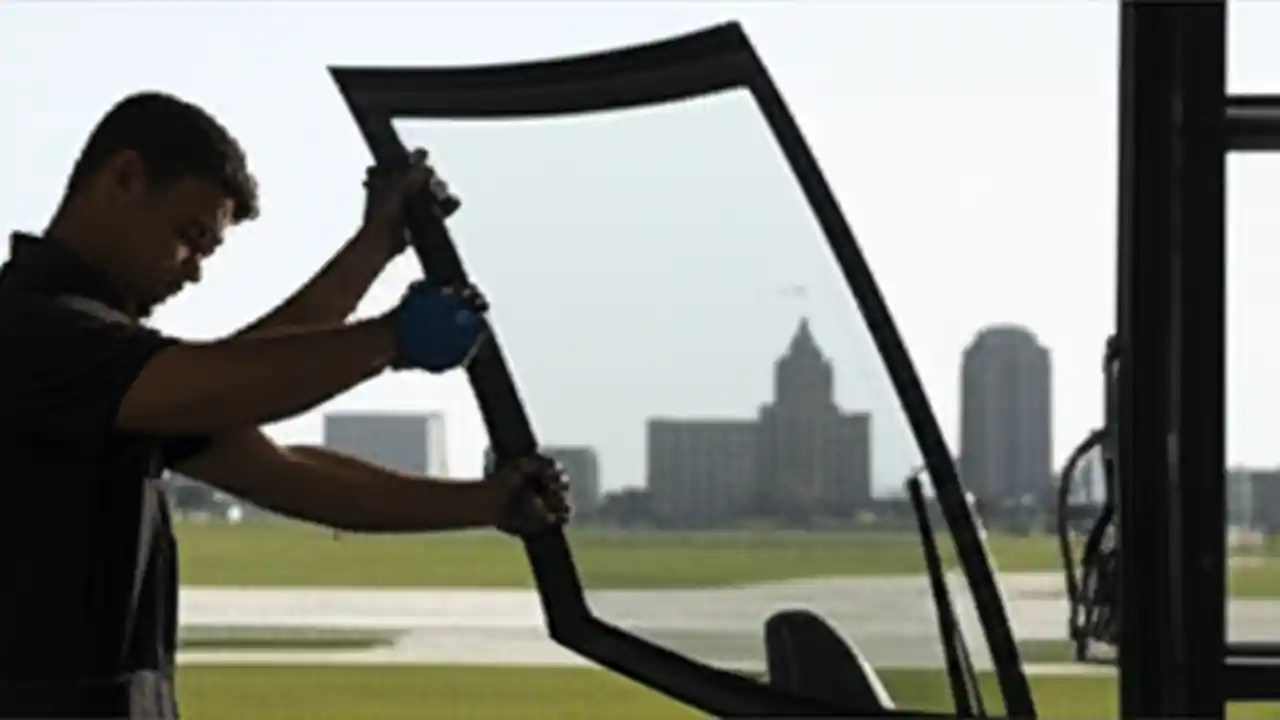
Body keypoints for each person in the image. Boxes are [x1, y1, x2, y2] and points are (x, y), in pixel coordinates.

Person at [0, 91, 571, 719]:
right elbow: (228, 382)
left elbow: (291, 470)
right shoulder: (30, 331)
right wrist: (390, 340)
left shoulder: (109, 374)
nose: (192, 273)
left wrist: (487, 502)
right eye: (188, 237)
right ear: (124, 178)